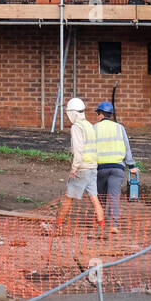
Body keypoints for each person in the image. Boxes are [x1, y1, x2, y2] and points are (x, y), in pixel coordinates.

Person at [55, 97, 104, 227]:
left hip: (82, 169)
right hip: (93, 167)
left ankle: (58, 223)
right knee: (94, 198)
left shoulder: (76, 127)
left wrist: (74, 168)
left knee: (69, 196)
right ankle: (102, 224)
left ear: (73, 113)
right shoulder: (89, 125)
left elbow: (78, 150)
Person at [91, 101, 137, 233]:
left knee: (100, 197)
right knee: (114, 197)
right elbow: (127, 147)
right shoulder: (119, 128)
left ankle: (99, 222)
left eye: (97, 114)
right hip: (117, 168)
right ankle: (114, 225)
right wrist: (131, 165)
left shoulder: (95, 128)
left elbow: (90, 148)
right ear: (110, 115)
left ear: (100, 114)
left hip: (100, 168)